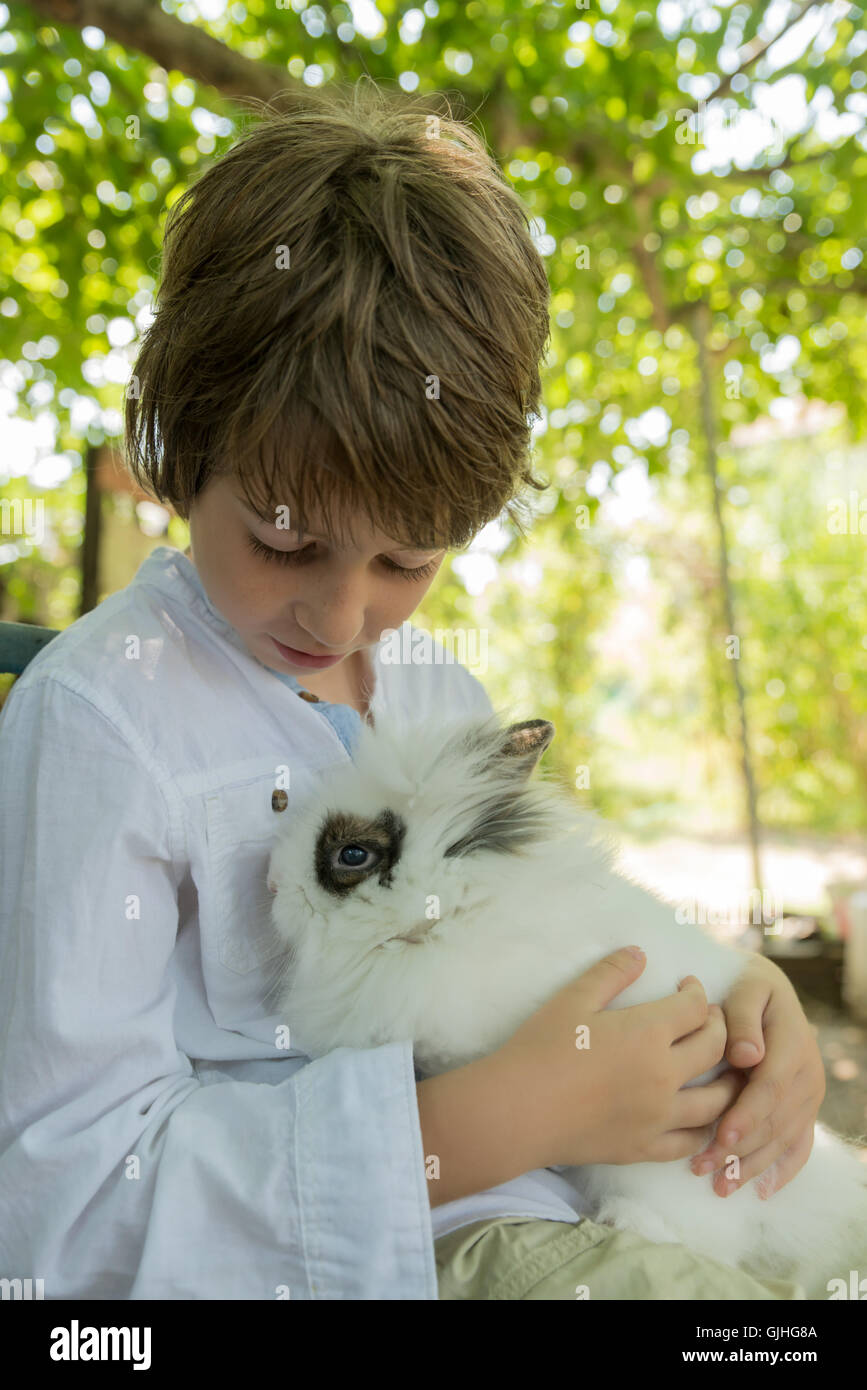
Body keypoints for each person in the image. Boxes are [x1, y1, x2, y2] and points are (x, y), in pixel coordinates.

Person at [0, 80, 825, 1300]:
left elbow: (568, 924)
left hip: (609, 1217)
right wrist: (486, 1122)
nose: (338, 615)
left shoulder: (435, 693)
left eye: (405, 561)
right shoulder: (101, 721)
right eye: (283, 543)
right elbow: (57, 1217)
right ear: (184, 448)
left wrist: (740, 1007)